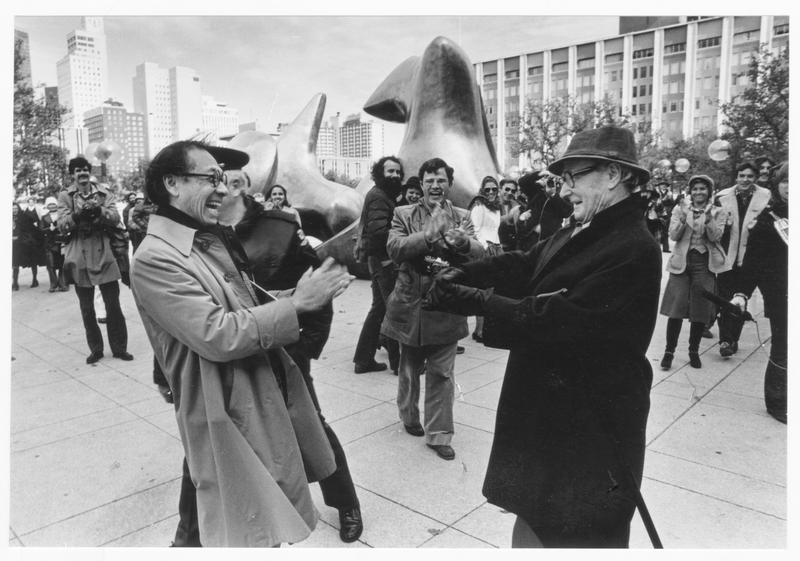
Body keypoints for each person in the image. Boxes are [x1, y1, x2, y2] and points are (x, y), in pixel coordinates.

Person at [425, 126, 662, 547]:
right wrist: (464, 271)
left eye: (573, 176)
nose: (564, 188)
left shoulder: (633, 245)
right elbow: (525, 262)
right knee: (534, 513)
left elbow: (560, 318)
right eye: (562, 177)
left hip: (591, 424)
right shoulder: (582, 228)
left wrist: (477, 300)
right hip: (548, 408)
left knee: (578, 530)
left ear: (612, 174)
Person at [130, 140, 352, 547]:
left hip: (256, 388)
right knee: (247, 526)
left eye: (224, 179)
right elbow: (218, 333)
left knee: (265, 517)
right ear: (173, 183)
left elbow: (242, 304)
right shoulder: (156, 257)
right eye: (211, 178)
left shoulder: (205, 239)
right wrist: (298, 306)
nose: (222, 188)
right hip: (224, 402)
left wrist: (295, 298)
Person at [218, 168, 364, 542]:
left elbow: (321, 287)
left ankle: (346, 502)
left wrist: (304, 348)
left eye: (218, 178)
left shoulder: (281, 227)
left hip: (284, 356)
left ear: (238, 184)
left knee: (312, 429)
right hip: (229, 358)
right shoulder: (199, 236)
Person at [382, 157, 484, 461]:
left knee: (442, 373)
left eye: (440, 180)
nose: (435, 186)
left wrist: (463, 243)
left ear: (448, 184)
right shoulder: (403, 213)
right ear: (421, 184)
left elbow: (479, 255)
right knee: (409, 370)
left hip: (446, 305)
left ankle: (439, 434)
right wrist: (427, 236)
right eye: (429, 180)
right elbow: (395, 249)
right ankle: (409, 416)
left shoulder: (463, 216)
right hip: (409, 303)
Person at [57, 157, 132, 364]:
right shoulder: (65, 196)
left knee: (113, 306)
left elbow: (116, 218)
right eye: (77, 171)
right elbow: (62, 225)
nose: (81, 173)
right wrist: (78, 214)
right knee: (87, 308)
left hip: (104, 254)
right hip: (79, 256)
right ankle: (96, 350)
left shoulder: (103, 192)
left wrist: (99, 210)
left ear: (90, 172)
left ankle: (119, 348)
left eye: (84, 170)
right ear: (72, 174)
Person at [731, 162, 788, 424]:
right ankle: (778, 404)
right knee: (783, 348)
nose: (791, 187)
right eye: (785, 181)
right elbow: (753, 261)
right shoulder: (768, 219)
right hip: (782, 297)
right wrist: (742, 292)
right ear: (777, 185)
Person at [658, 175, 727, 369]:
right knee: (676, 308)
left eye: (702, 189)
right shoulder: (680, 209)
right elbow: (672, 235)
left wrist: (709, 218)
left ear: (709, 192)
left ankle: (693, 351)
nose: (698, 192)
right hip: (682, 262)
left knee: (700, 310)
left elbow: (717, 237)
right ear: (690, 191)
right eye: (695, 189)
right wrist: (681, 217)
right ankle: (669, 352)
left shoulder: (719, 211)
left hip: (705, 264)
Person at [352, 157, 404, 375]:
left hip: (380, 260)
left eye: (397, 172)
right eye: (390, 171)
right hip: (384, 261)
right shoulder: (379, 196)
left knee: (379, 309)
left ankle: (363, 360)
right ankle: (398, 364)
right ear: (380, 172)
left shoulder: (383, 194)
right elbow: (379, 232)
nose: (394, 175)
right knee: (391, 309)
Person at [714, 162, 771, 357]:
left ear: (755, 178)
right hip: (726, 257)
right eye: (741, 176)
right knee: (724, 299)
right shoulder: (722, 198)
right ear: (736, 177)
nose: (745, 180)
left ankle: (730, 340)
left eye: (749, 176)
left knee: (739, 299)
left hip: (750, 259)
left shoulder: (766, 199)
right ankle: (726, 340)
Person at [499, 172, 573, 252]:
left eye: (556, 181)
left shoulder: (563, 194)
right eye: (551, 181)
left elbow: (567, 212)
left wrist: (553, 195)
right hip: (529, 238)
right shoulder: (537, 190)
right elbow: (522, 182)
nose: (552, 184)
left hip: (549, 240)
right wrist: (540, 173)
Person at [468, 176, 502, 342]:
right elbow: (474, 230)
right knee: (482, 289)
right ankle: (479, 330)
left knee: (492, 290)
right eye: (487, 189)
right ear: (482, 190)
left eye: (493, 189)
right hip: (485, 248)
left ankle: (484, 328)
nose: (490, 192)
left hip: (496, 247)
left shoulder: (496, 207)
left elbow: (495, 229)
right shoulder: (479, 206)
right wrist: (485, 247)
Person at [12, 201, 45, 290]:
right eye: (12, 209)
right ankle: (15, 283)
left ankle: (35, 280)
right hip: (14, 244)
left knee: (32, 261)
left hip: (25, 243)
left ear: (18, 208)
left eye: (15, 208)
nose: (14, 210)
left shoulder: (23, 216)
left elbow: (32, 223)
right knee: (15, 263)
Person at [40, 196, 69, 292]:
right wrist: (50, 229)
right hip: (49, 244)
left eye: (53, 204)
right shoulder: (44, 217)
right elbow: (41, 230)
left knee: (62, 264)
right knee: (51, 265)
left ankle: (63, 284)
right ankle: (53, 284)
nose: (52, 206)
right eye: (50, 204)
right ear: (47, 206)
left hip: (61, 243)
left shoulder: (61, 215)